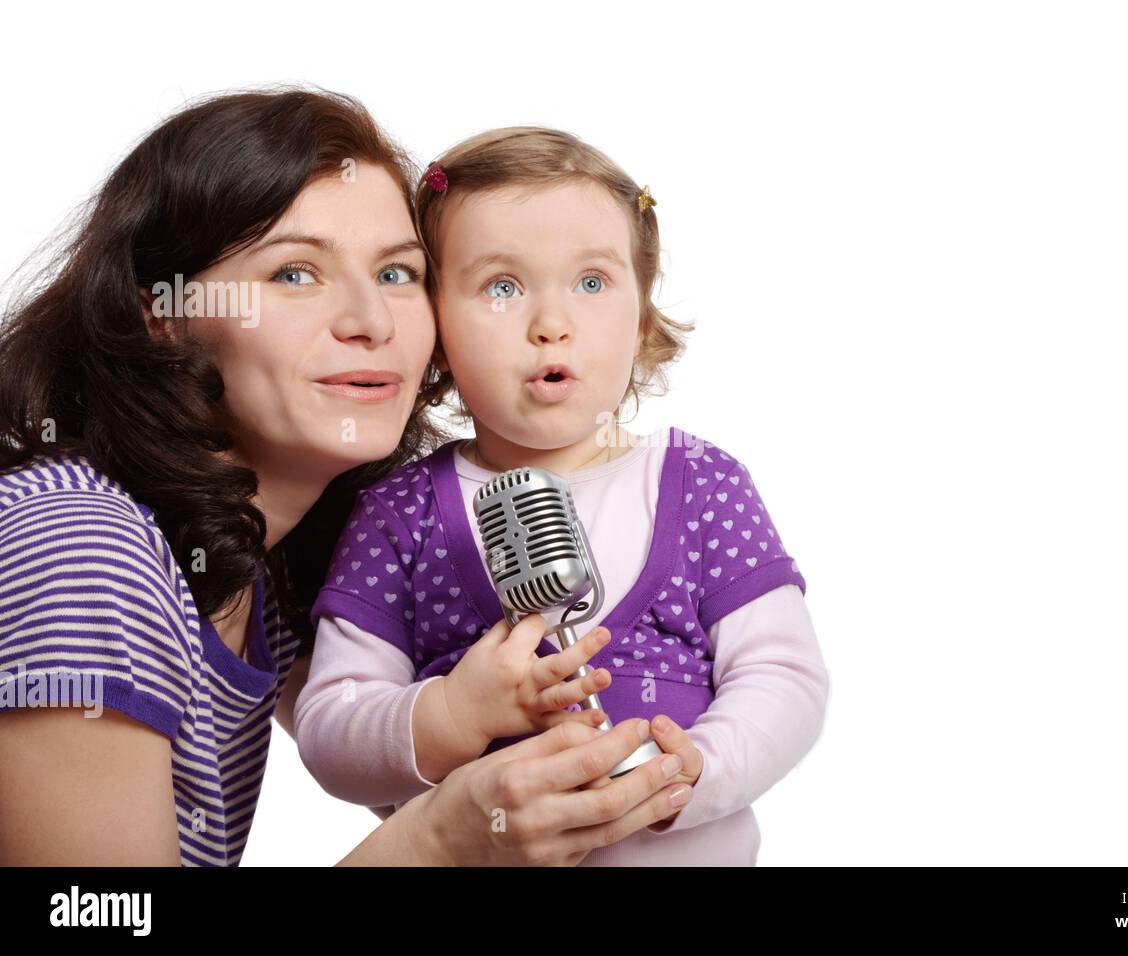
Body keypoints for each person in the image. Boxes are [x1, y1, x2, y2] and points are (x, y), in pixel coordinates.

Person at [0, 89, 692, 866]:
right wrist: (442, 841)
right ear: (161, 312)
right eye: (296, 273)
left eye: (398, 274)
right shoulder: (81, 548)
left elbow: (389, 746)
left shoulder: (273, 572)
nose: (372, 320)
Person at [294, 127, 829, 865]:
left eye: (591, 282)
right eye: (503, 287)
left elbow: (783, 676)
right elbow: (329, 729)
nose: (552, 325)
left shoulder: (704, 484)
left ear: (641, 319)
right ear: (436, 333)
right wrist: (451, 713)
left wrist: (697, 770)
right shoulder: (399, 515)